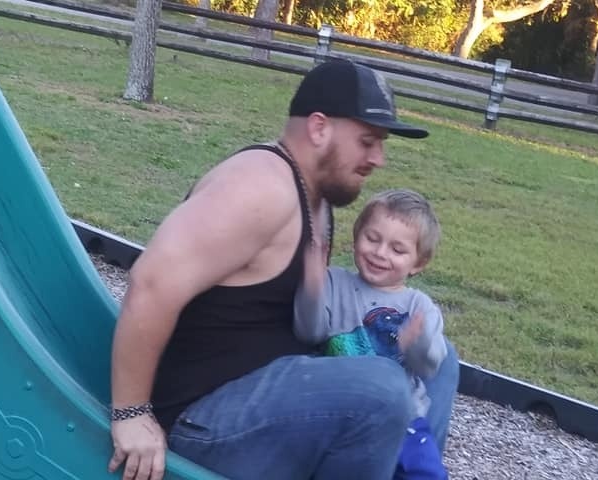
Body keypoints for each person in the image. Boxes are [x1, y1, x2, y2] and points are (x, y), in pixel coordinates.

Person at [107, 58, 459, 480]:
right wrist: (130, 413)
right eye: (367, 141)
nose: (378, 158)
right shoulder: (259, 187)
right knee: (381, 391)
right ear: (319, 128)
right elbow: (151, 282)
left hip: (272, 397)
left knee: (438, 360)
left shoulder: (317, 194)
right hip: (204, 419)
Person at [294, 189, 449, 480]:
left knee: (424, 473)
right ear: (356, 236)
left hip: (405, 419)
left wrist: (416, 344)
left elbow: (429, 367)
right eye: (372, 238)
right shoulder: (333, 282)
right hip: (337, 409)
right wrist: (312, 289)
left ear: (418, 263)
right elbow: (309, 332)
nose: (380, 253)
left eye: (397, 250)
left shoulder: (419, 307)